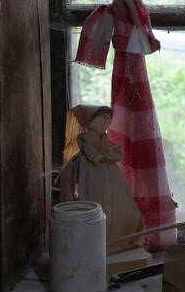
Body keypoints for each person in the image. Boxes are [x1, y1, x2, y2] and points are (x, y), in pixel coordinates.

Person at [57, 105, 144, 246]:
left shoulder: (106, 143)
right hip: (93, 185)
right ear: (90, 120)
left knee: (121, 212)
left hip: (112, 184)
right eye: (103, 117)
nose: (107, 120)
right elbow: (66, 179)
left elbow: (114, 152)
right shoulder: (85, 146)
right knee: (98, 213)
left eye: (109, 117)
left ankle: (116, 241)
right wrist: (72, 206)